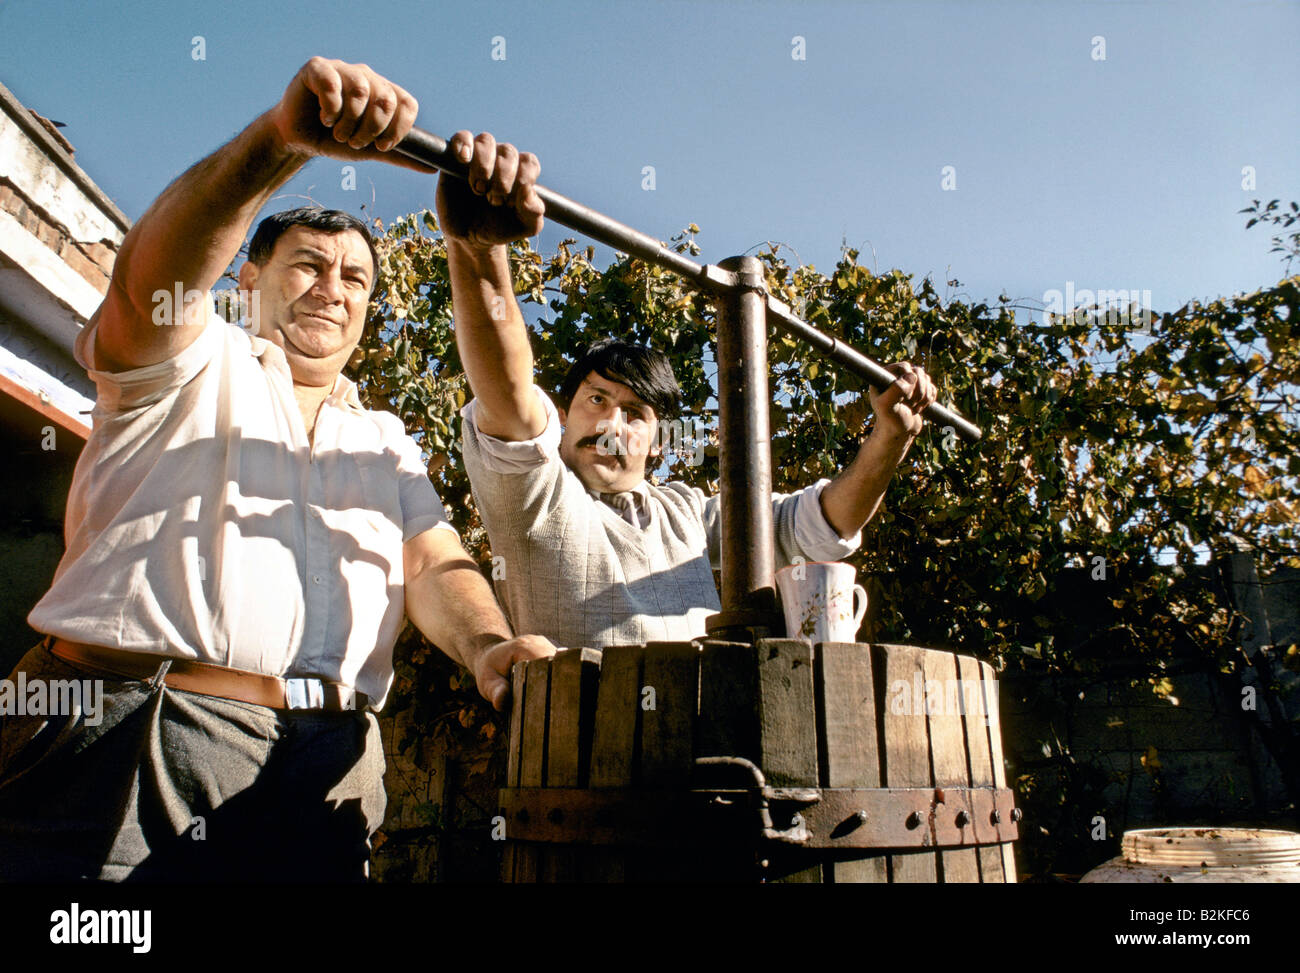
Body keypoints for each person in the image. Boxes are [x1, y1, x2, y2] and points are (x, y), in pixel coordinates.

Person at [0, 58, 555, 882]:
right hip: (131, 731)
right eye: (309, 265)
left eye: (357, 278)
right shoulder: (188, 359)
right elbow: (153, 273)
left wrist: (487, 646)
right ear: (249, 278)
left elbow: (434, 561)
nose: (334, 288)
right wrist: (279, 141)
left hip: (327, 760)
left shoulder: (384, 438)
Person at [437, 131, 939, 651]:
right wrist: (480, 254)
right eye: (596, 400)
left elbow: (820, 525)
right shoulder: (536, 495)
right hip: (581, 731)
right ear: (564, 415)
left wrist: (891, 439)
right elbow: (509, 395)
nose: (611, 425)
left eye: (635, 412)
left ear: (659, 441)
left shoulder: (688, 513)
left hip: (710, 729)